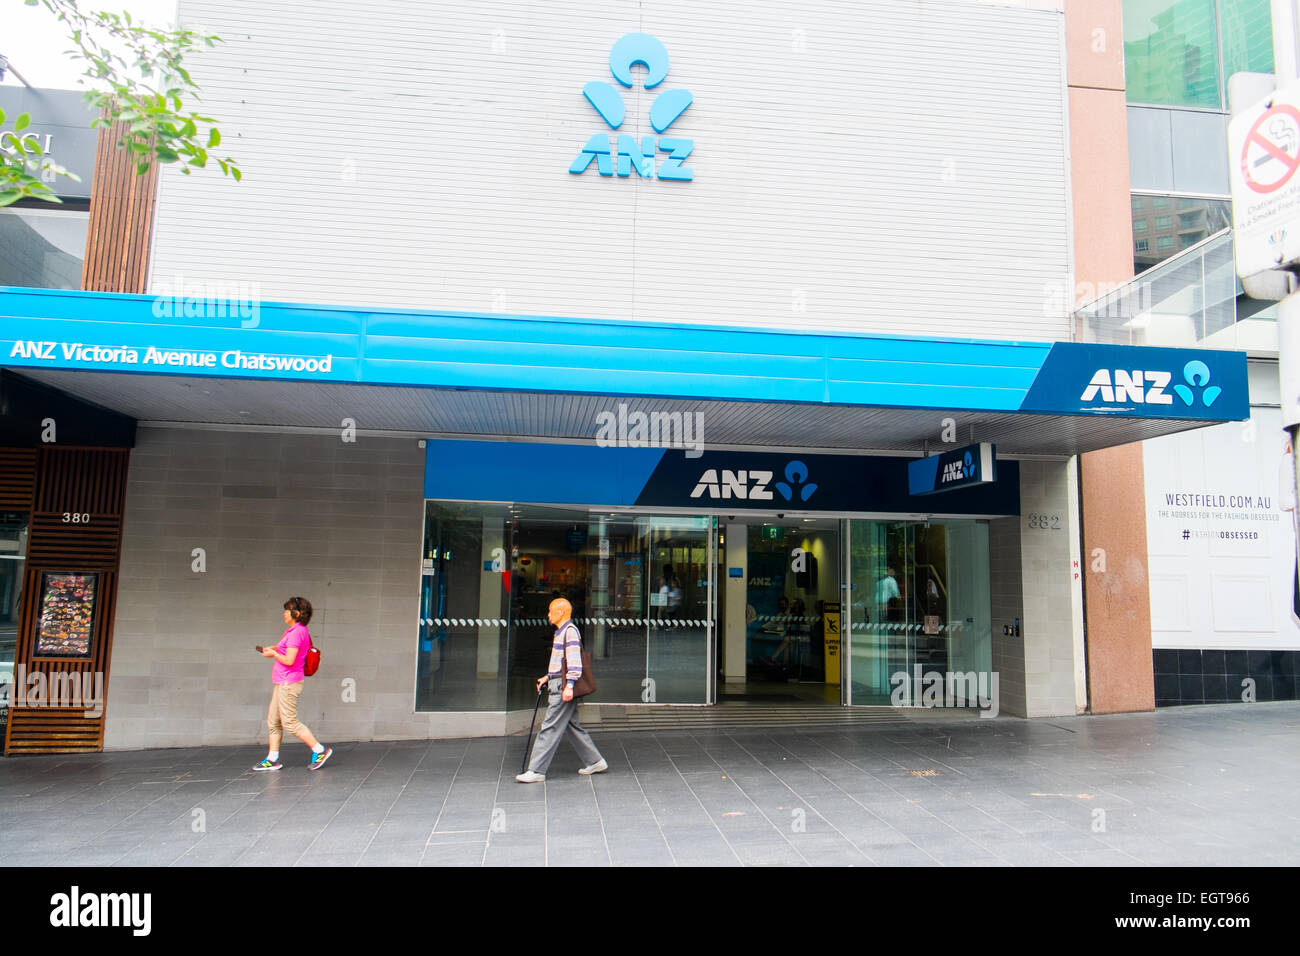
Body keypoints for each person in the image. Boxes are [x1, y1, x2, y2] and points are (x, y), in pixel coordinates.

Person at [516, 597, 606, 783]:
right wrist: (548, 677)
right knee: (571, 726)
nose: (548, 614)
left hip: (563, 687)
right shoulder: (561, 632)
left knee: (549, 726)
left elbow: (574, 661)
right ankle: (595, 761)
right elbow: (561, 663)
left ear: (562, 612)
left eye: (551, 611)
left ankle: (537, 770)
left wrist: (569, 686)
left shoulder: (570, 632)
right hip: (559, 683)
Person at [253, 596, 332, 771]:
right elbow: (286, 649)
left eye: (286, 610)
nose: (284, 613)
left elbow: (289, 660)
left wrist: (273, 655)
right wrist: (273, 649)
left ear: (296, 613)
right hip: (282, 682)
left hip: (289, 683)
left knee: (289, 722)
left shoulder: (297, 632)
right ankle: (272, 759)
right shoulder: (293, 631)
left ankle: (320, 750)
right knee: (273, 721)